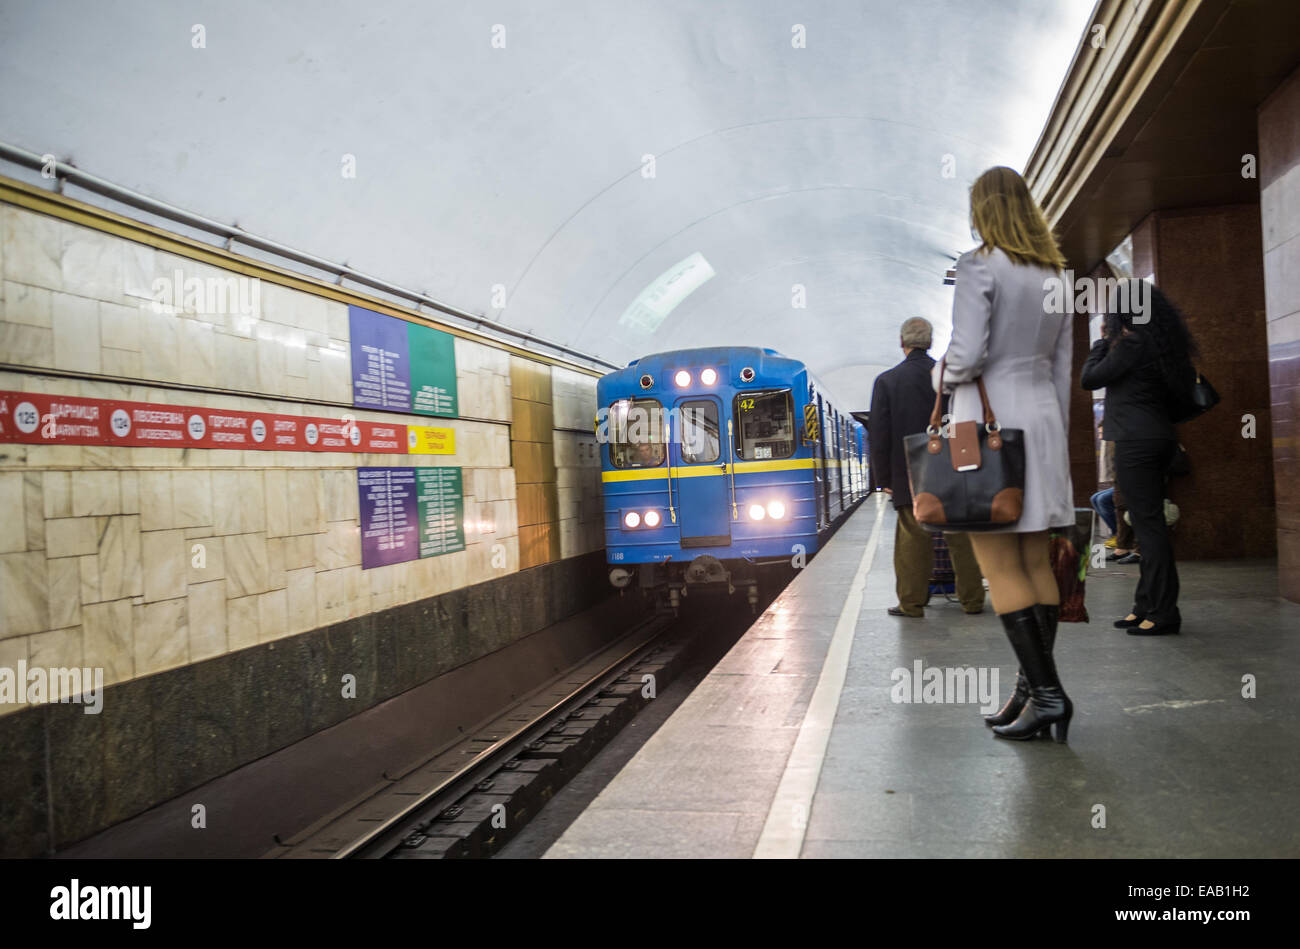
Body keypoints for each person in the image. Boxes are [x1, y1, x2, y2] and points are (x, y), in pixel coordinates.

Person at [934, 166, 1075, 742]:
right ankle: (1030, 689)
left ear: (981, 212)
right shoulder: (1058, 277)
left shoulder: (979, 264)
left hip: (984, 427)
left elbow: (966, 357)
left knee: (999, 567)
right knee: (1037, 562)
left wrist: (940, 375)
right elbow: (1065, 368)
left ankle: (1048, 696)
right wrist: (1057, 431)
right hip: (1041, 420)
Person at [1081, 285, 1196, 635]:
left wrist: (1102, 340)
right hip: (1158, 438)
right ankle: (1144, 605)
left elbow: (1090, 378)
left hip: (1137, 441)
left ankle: (1163, 612)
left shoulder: (1133, 344)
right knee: (1147, 524)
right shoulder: (1161, 344)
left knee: (1148, 527)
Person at [869, 317, 985, 618]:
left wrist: (883, 478)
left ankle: (912, 603)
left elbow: (880, 435)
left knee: (912, 539)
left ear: (901, 342)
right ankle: (972, 601)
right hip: (952, 466)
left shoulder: (887, 381)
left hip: (909, 470)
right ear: (930, 342)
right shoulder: (948, 377)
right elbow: (968, 420)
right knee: (959, 535)